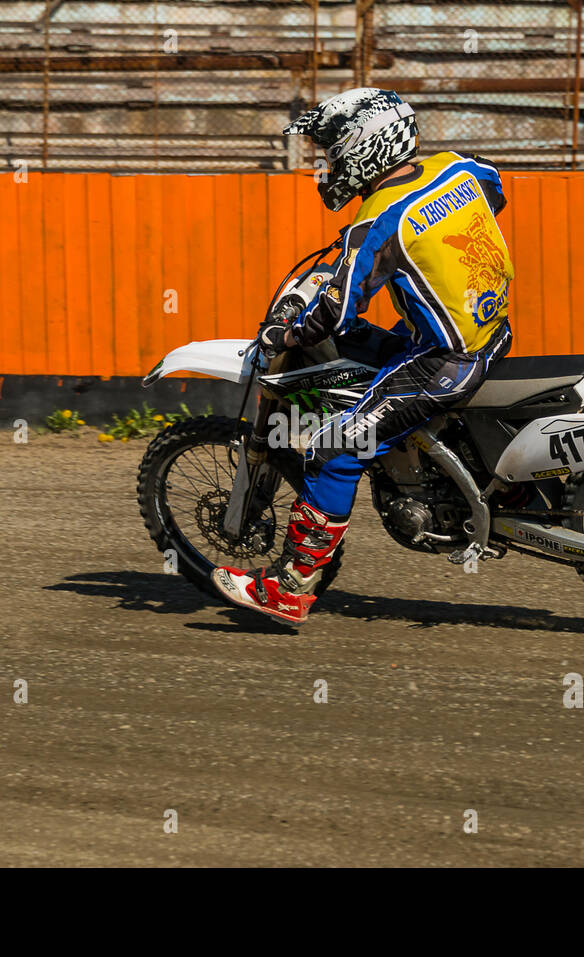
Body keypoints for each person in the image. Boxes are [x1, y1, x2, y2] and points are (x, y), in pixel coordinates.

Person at [211, 88, 515, 624]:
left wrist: (284, 337)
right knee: (368, 351)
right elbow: (494, 194)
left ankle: (291, 587)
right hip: (490, 329)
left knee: (334, 448)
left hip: (445, 359)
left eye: (331, 151)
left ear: (362, 148)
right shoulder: (462, 169)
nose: (326, 165)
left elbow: (334, 315)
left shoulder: (378, 221)